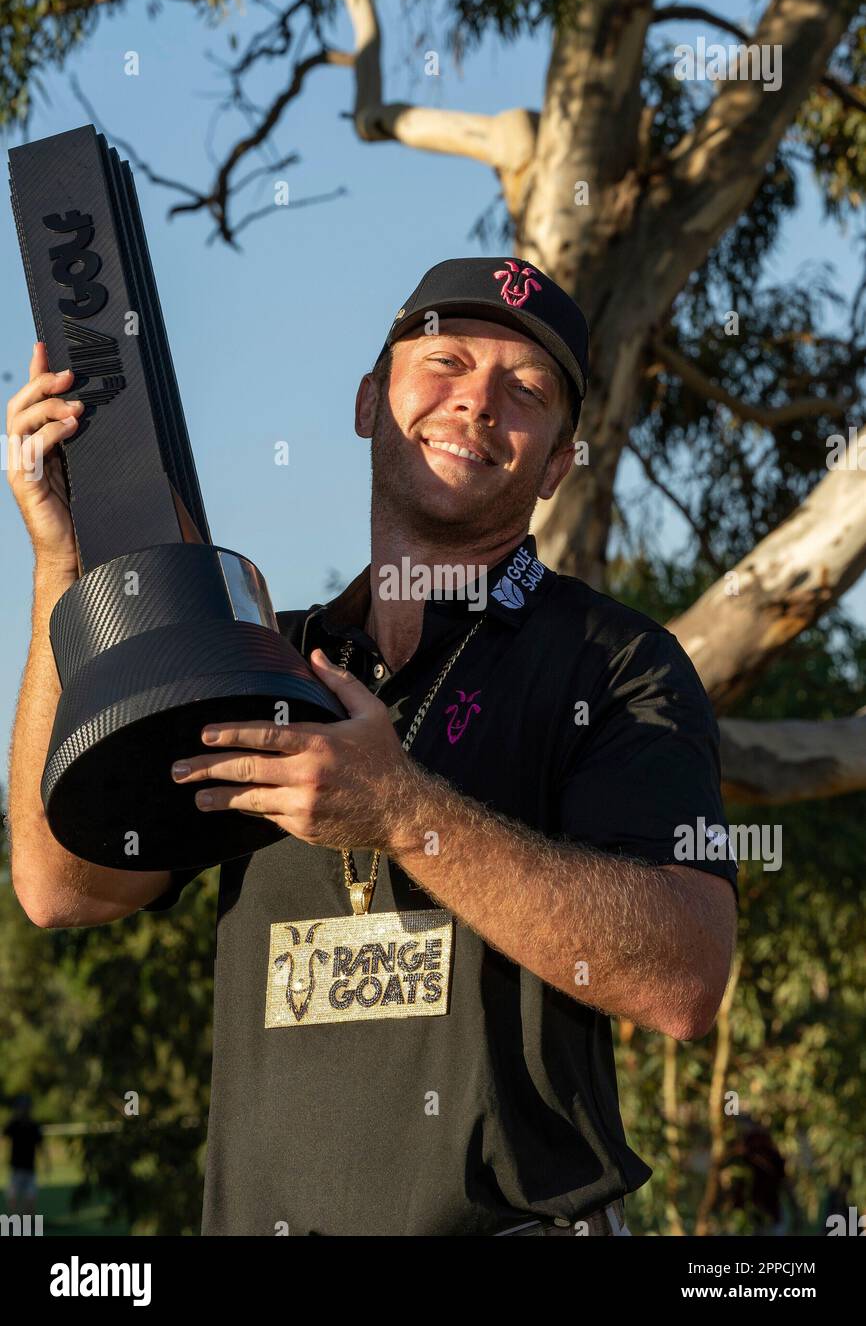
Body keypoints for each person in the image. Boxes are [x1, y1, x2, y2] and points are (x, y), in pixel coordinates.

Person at [6, 255, 738, 1237]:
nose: (475, 401)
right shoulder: (264, 663)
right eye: (442, 361)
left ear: (557, 463)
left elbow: (684, 977)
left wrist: (403, 812)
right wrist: (65, 561)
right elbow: (65, 887)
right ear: (367, 402)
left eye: (524, 390)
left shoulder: (614, 666)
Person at [3, 1094, 43, 1217]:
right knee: (13, 1197)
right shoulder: (13, 1124)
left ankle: (27, 1222)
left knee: (30, 1199)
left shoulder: (34, 1126)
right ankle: (14, 1222)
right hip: (16, 1168)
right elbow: (4, 1137)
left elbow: (41, 1145)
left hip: (30, 1169)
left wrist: (47, 1162)